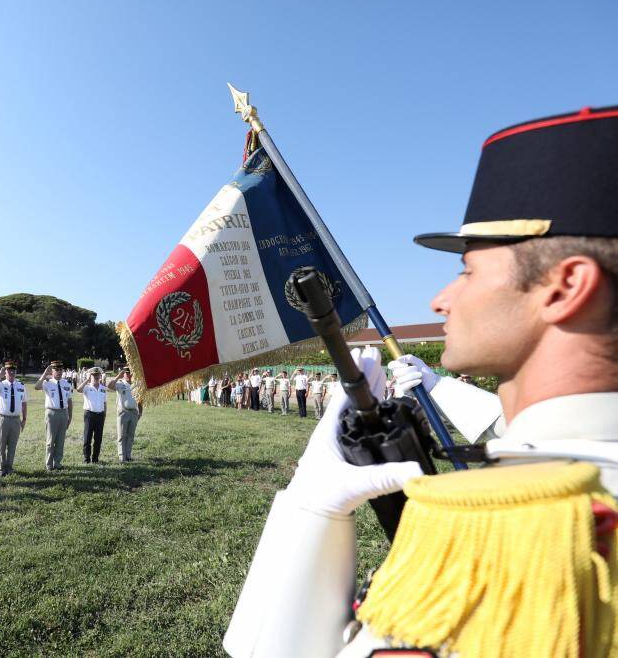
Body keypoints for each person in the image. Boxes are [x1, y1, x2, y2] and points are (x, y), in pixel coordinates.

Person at [224, 105, 618, 657]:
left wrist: (310, 508)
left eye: (469, 272)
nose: (442, 300)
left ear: (565, 286)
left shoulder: (518, 526)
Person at [0, 361, 27, 476]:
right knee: (0, 445)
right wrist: (0, 374)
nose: (11, 372)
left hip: (15, 419)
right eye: (9, 370)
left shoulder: (21, 386)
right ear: (5, 372)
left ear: (16, 372)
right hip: (2, 419)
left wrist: (24, 419)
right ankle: (1, 468)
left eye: (13, 370)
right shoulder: (1, 384)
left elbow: (24, 403)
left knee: (12, 445)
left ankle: (9, 467)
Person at [35, 361, 72, 471]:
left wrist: (70, 416)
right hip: (52, 413)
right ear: (52, 371)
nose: (59, 372)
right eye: (57, 370)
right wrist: (45, 373)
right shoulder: (47, 383)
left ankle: (58, 463)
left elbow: (69, 401)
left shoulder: (67, 383)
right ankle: (49, 464)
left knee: (61, 441)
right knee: (50, 441)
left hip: (63, 413)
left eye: (61, 370)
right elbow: (37, 387)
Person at [108, 367, 141, 463]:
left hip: (134, 412)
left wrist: (140, 412)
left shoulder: (136, 385)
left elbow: (140, 400)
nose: (128, 375)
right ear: (124, 374)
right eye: (126, 373)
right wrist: (118, 375)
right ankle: (122, 457)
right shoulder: (120, 383)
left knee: (130, 435)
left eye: (130, 373)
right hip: (123, 412)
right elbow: (109, 386)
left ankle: (128, 455)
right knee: (122, 435)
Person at [76, 367, 107, 464]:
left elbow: (105, 403)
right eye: (94, 375)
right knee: (87, 438)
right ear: (91, 376)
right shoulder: (87, 387)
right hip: (89, 415)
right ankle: (86, 459)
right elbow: (78, 389)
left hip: (100, 415)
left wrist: (104, 414)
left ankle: (95, 459)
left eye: (98, 375)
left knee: (98, 439)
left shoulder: (103, 389)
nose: (96, 377)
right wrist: (86, 380)